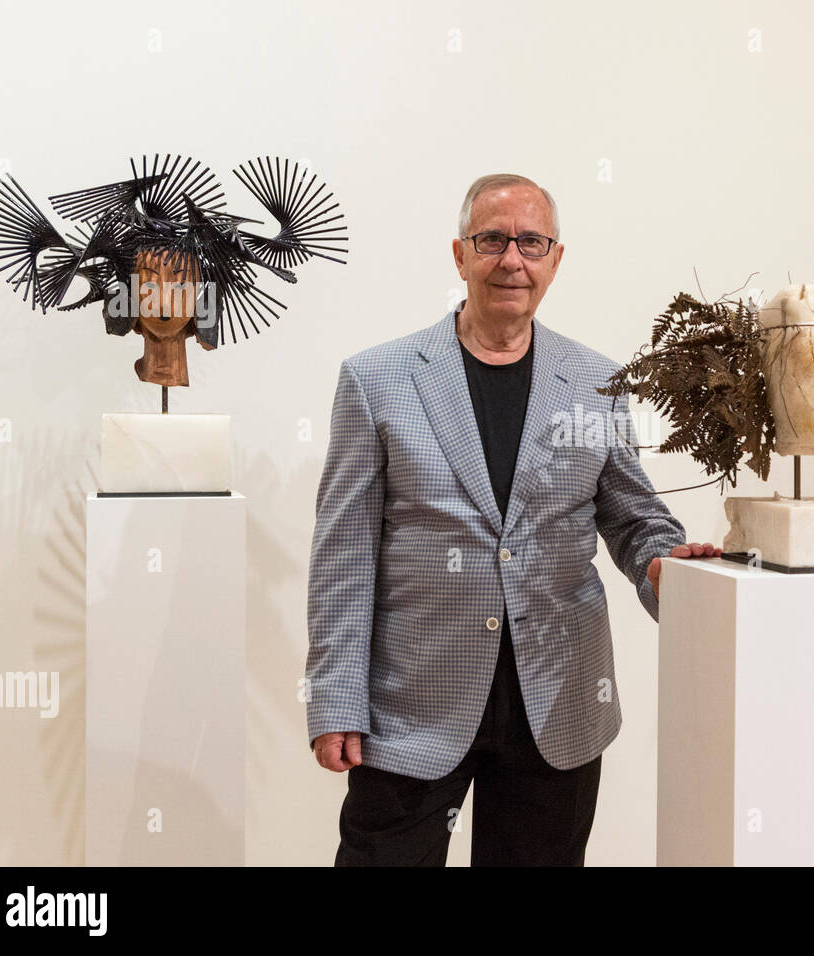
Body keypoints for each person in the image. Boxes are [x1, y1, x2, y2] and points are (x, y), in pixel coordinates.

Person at [305, 172, 720, 866]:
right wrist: (334, 699)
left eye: (531, 242)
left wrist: (661, 566)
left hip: (555, 703)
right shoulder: (376, 380)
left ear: (556, 259)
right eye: (492, 239)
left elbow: (633, 519)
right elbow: (342, 557)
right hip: (413, 704)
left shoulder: (597, 384)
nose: (512, 259)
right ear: (461, 253)